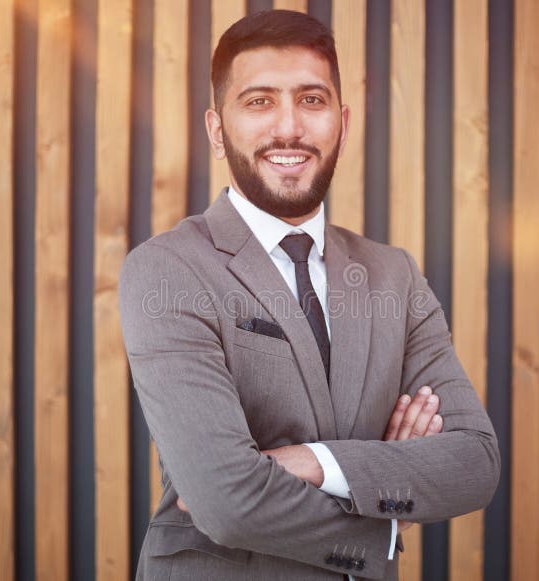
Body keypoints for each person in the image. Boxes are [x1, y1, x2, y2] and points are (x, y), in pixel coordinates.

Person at [118, 9, 499, 581]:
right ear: (217, 130)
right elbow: (223, 501)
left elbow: (474, 462)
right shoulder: (166, 271)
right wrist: (389, 502)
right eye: (259, 101)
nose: (290, 128)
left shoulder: (394, 275)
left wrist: (313, 463)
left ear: (342, 122)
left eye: (312, 100)